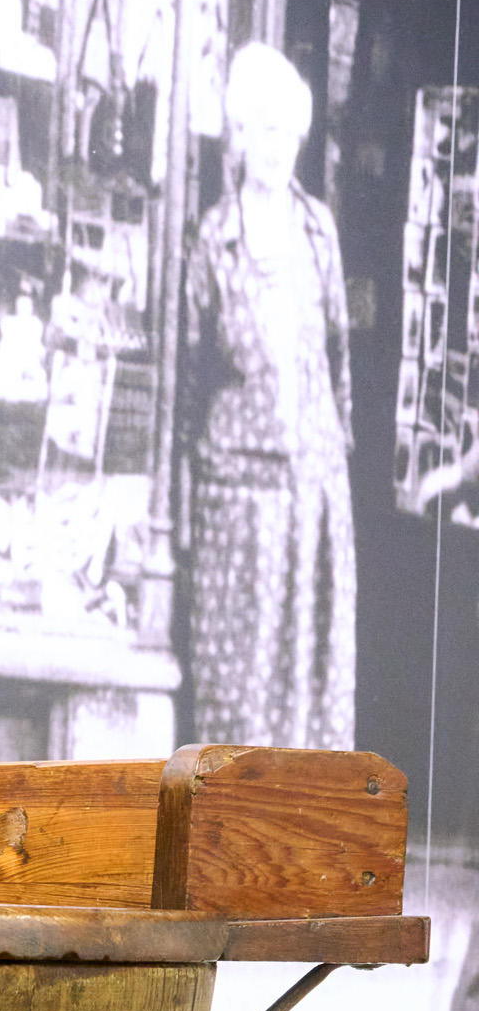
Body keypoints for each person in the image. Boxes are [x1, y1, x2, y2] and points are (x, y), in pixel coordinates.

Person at [180, 40, 355, 749]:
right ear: (240, 136)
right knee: (237, 685)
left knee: (309, 682)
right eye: (263, 128)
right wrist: (198, 484)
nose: (277, 145)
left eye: (288, 130)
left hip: (311, 495)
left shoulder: (318, 231)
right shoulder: (214, 237)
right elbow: (192, 374)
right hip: (236, 503)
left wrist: (330, 458)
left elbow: (338, 353)